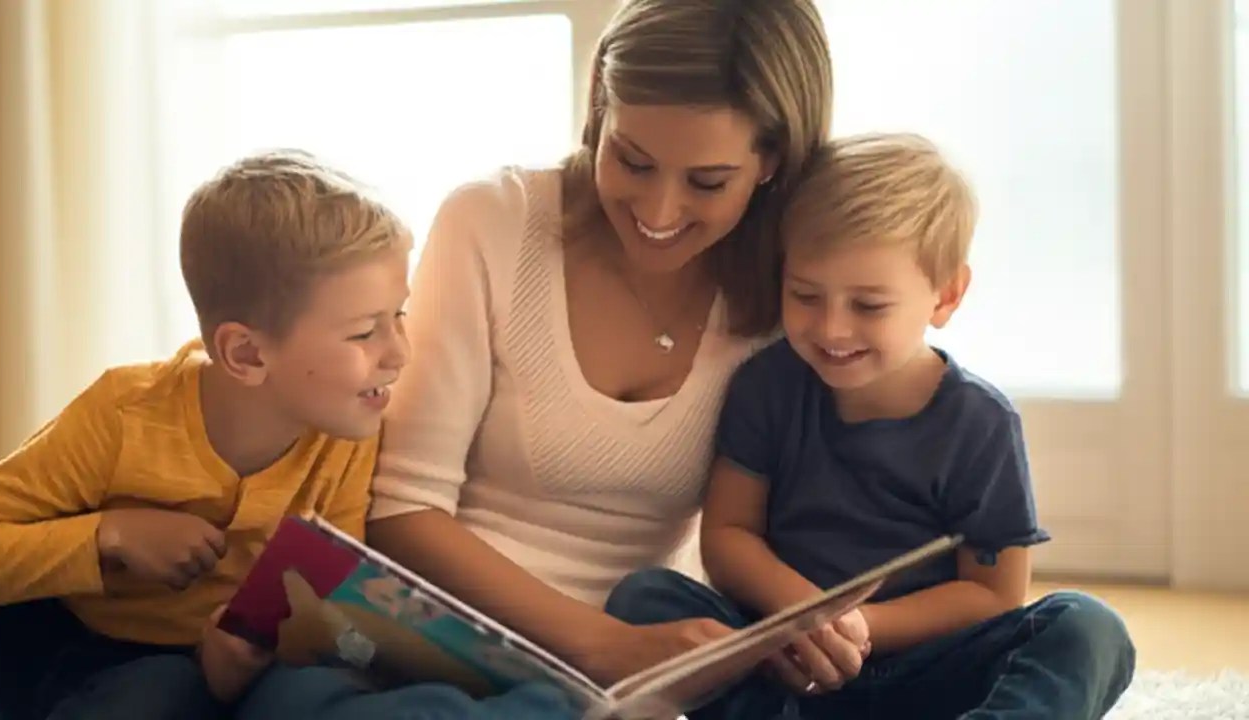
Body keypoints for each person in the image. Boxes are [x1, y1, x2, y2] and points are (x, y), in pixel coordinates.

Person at [235, 1, 854, 718]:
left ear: (773, 161)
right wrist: (598, 643)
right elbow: (403, 508)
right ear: (599, 104)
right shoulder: (494, 222)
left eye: (707, 182)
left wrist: (808, 623)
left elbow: (783, 522)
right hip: (414, 637)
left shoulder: (792, 304)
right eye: (632, 159)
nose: (658, 208)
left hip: (613, 680)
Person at [604, 133, 1137, 719]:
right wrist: (803, 616)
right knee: (646, 599)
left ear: (946, 296)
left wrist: (859, 627)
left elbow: (993, 593)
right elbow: (728, 536)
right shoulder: (767, 385)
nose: (831, 329)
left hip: (923, 672)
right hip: (784, 664)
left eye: (868, 306)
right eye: (805, 295)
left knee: (1087, 628)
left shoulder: (981, 424)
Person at [0, 149, 412, 719]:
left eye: (399, 315)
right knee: (158, 695)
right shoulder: (124, 414)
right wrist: (111, 535)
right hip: (93, 653)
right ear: (246, 353)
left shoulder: (350, 427)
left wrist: (236, 659)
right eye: (363, 333)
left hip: (228, 662)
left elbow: (324, 592)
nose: (400, 353)